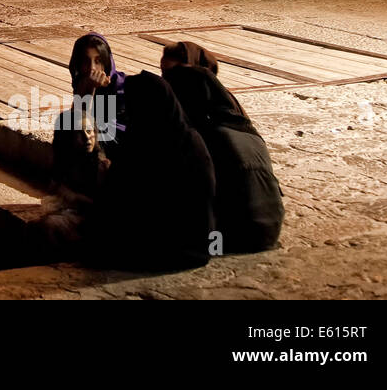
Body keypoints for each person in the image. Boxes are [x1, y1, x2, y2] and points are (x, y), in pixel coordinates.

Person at [162, 44, 284, 254]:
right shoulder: (235, 116)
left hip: (235, 237)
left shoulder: (205, 132)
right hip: (270, 228)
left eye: (171, 76)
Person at [89, 70, 216, 271]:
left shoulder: (143, 146)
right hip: (199, 248)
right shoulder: (192, 139)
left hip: (159, 253)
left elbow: (112, 202)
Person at [50, 33, 126, 202]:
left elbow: (109, 132)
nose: (92, 68)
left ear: (107, 62)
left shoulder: (121, 87)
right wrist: (87, 91)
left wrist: (89, 91)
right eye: (86, 61)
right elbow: (78, 124)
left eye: (98, 61)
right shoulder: (82, 82)